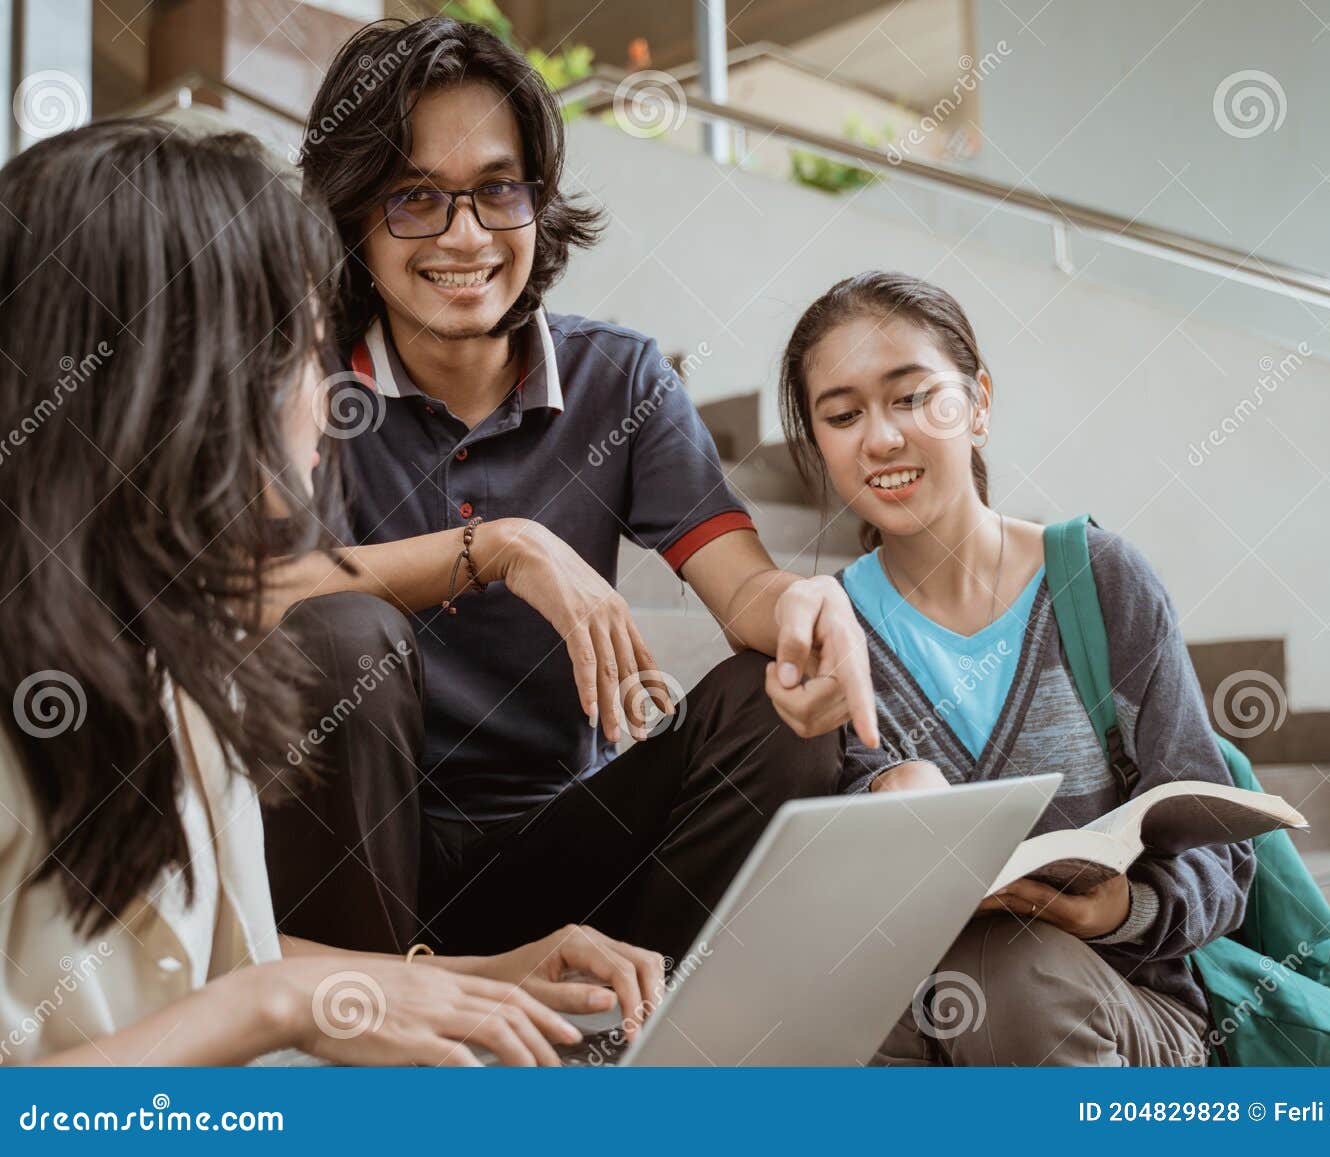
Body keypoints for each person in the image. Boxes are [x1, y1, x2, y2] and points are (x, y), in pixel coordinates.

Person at [0, 122, 661, 1065]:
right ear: (180, 378)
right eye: (303, 353)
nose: (328, 401)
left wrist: (497, 972)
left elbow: (223, 968)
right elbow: (252, 992)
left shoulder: (173, 670)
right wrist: (278, 1005)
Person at [263, 15, 876, 963]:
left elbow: (744, 589)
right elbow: (249, 595)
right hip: (359, 871)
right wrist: (500, 546)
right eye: (415, 198)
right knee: (339, 631)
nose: (465, 235)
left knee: (767, 701)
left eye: (496, 190)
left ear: (537, 203)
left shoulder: (618, 380)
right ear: (354, 217)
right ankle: (378, 1047)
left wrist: (804, 600)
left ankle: (643, 1041)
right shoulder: (308, 386)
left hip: (562, 853)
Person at [777, 272, 1255, 1067]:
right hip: (928, 1023)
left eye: (911, 397)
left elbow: (1224, 854)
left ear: (978, 404)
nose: (882, 439)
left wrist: (1123, 908)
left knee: (1012, 972)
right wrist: (880, 801)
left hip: (1122, 1010)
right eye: (843, 414)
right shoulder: (832, 632)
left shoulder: (1099, 580)